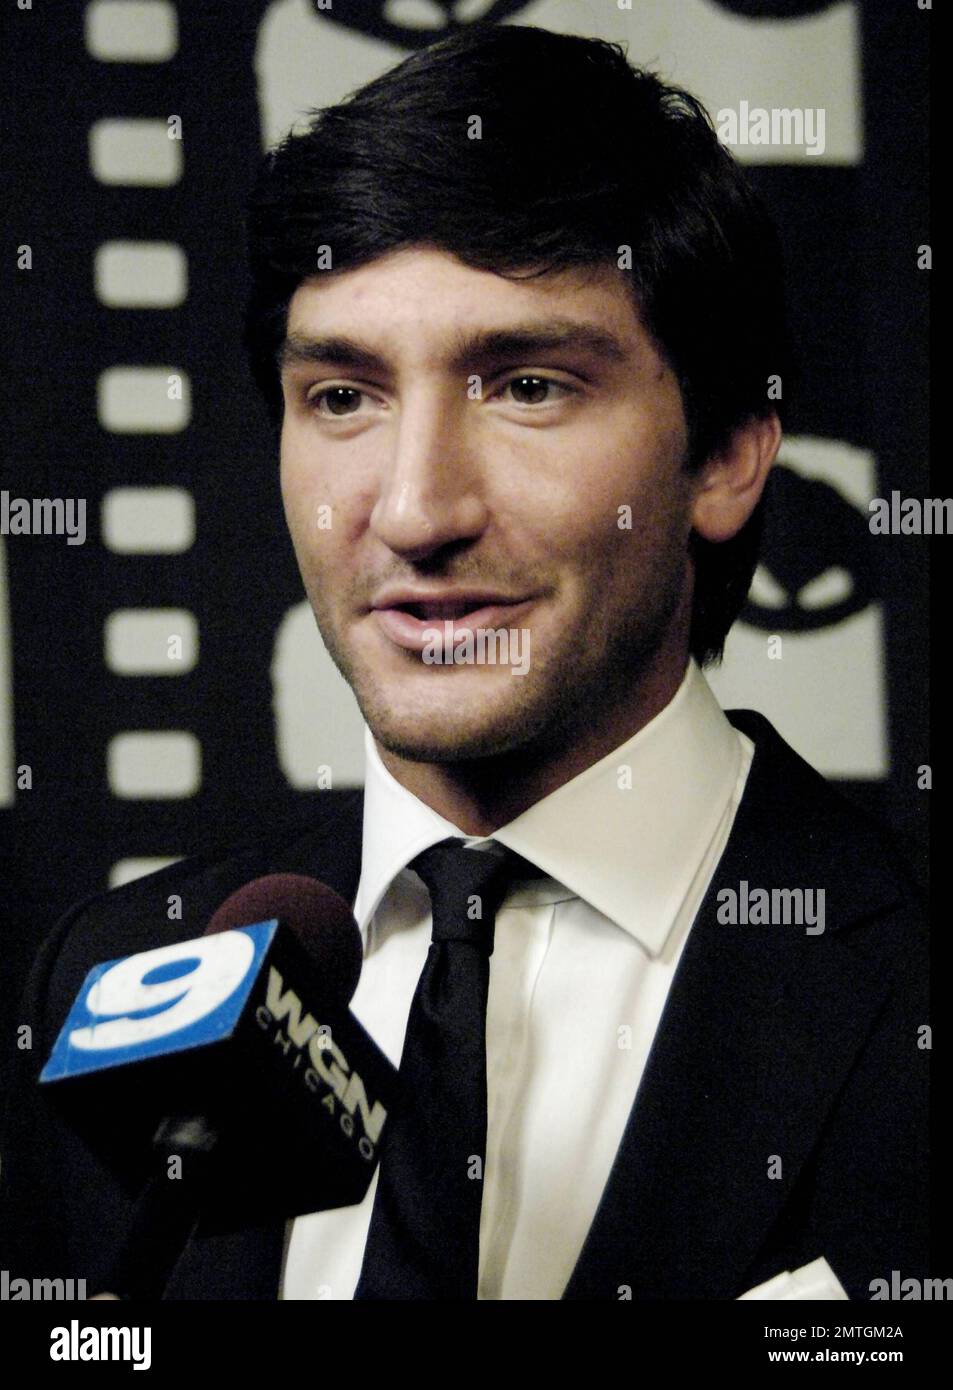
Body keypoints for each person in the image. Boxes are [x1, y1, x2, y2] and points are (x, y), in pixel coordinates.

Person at [0, 22, 927, 1301]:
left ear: (724, 455)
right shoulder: (106, 981)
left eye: (527, 385)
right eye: (342, 396)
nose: (415, 508)